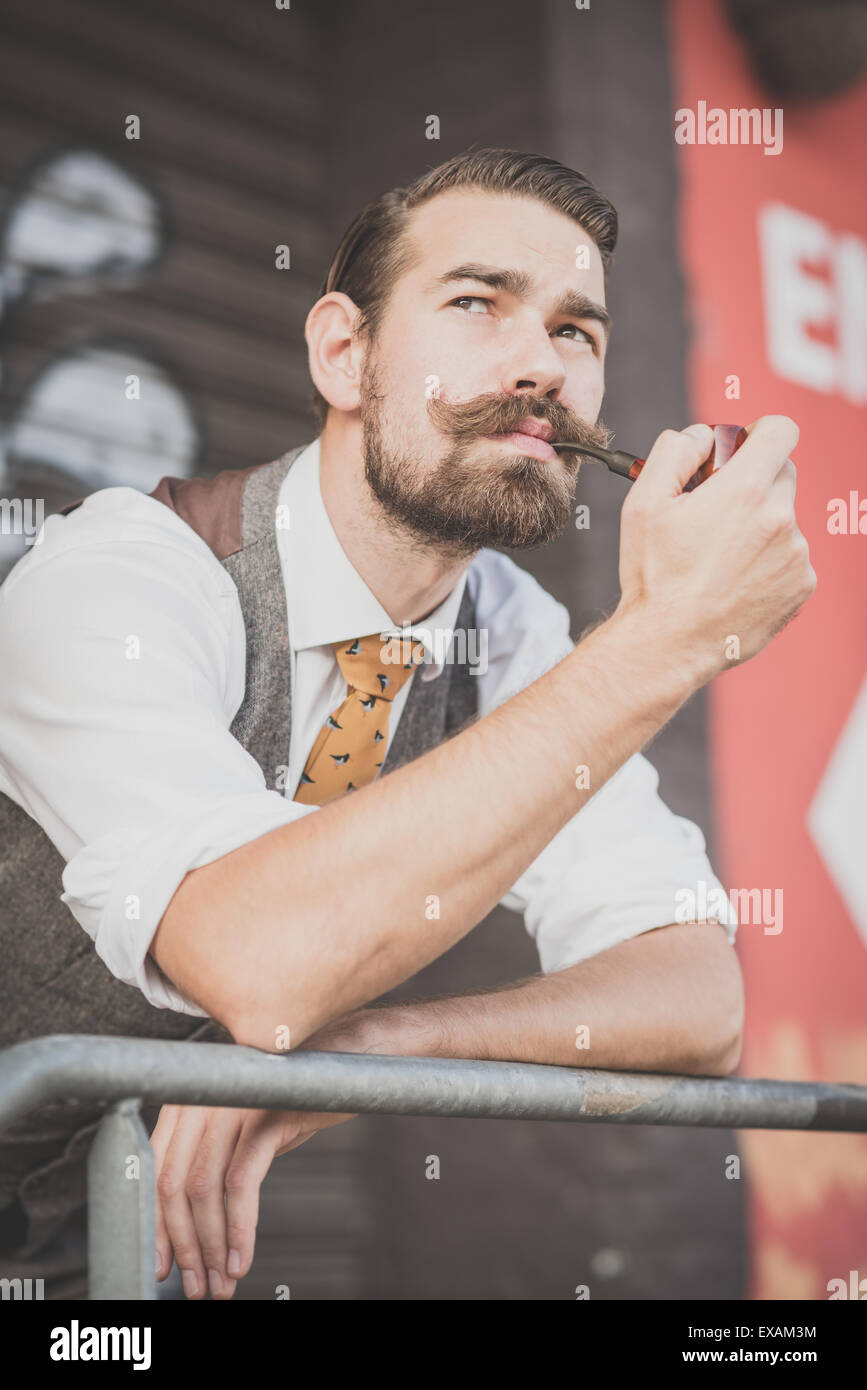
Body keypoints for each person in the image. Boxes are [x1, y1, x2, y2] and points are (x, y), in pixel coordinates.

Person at [0, 148, 815, 1300]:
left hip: (111, 1265)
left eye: (577, 332)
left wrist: (378, 1050)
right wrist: (668, 637)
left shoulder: (511, 633)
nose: (540, 362)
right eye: (478, 304)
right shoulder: (122, 577)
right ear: (345, 352)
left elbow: (696, 998)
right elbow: (262, 963)